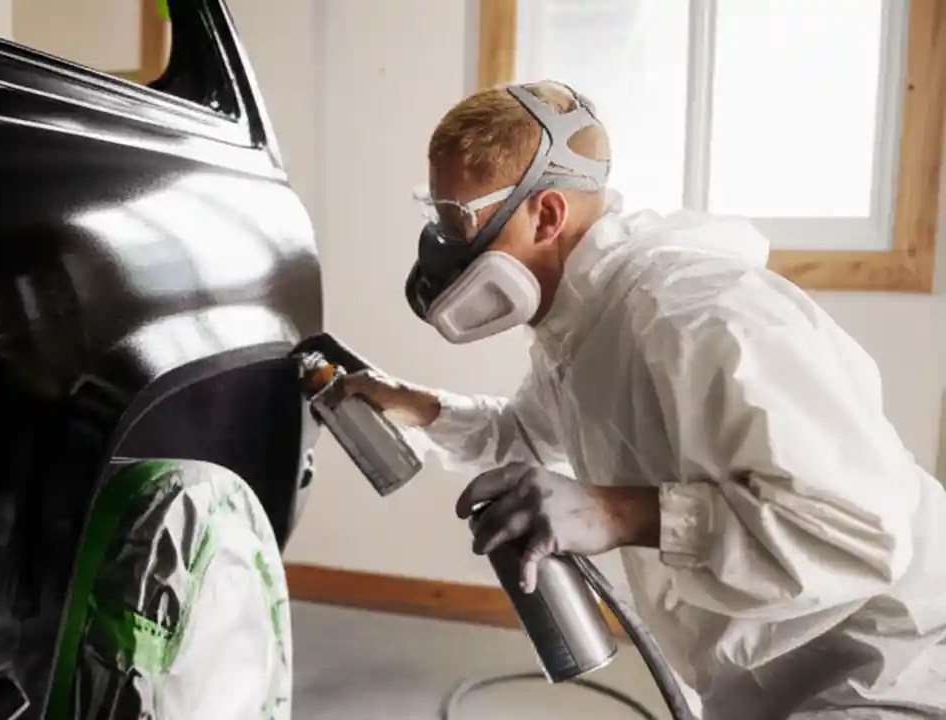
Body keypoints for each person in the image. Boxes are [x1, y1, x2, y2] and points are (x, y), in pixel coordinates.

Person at [334, 81, 946, 718]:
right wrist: (413, 404)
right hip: (767, 673)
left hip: (890, 666)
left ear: (546, 215)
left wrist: (618, 513)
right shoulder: (580, 325)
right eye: (437, 215)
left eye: (458, 220)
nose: (443, 246)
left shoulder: (700, 315)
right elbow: (526, 434)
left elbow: (861, 534)